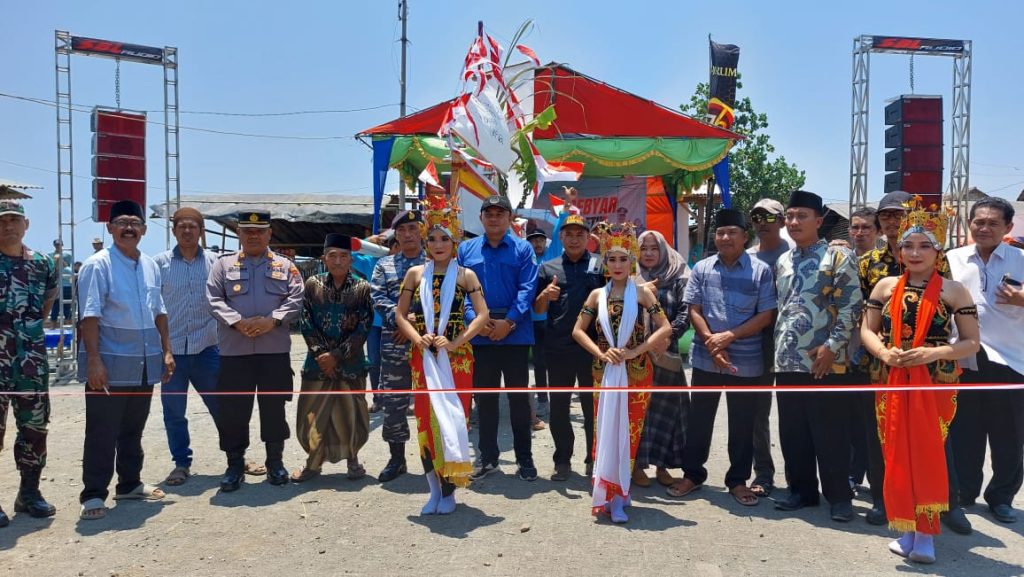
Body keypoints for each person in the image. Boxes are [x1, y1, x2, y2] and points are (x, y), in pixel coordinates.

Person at [861, 201, 979, 564]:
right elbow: (867, 331)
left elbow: (971, 343)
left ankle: (926, 533)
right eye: (908, 245)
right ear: (899, 250)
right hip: (891, 378)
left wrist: (933, 353)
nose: (915, 253)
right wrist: (884, 353)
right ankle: (907, 529)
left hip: (934, 381)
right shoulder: (884, 286)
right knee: (895, 453)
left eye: (925, 245)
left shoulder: (953, 291)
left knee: (928, 453)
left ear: (938, 250)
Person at [77, 200, 175, 520]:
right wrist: (94, 360)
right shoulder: (97, 265)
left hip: (143, 361)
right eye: (122, 222)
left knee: (133, 428)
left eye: (135, 223)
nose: (129, 228)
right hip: (109, 363)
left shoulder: (149, 265)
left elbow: (159, 312)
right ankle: (94, 494)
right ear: (110, 228)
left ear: (144, 229)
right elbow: (89, 315)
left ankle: (130, 483)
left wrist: (166, 350)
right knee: (102, 430)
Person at [394, 194, 489, 514]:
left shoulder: (466, 276)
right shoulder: (415, 274)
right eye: (432, 238)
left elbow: (483, 315)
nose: (438, 245)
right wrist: (418, 339)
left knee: (453, 419)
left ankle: (449, 491)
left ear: (454, 241)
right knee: (425, 418)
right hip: (423, 356)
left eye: (444, 239)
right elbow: (399, 315)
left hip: (456, 357)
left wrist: (457, 341)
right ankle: (433, 489)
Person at [572, 221, 671, 523]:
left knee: (629, 433)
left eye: (623, 259)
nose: (617, 265)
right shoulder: (596, 296)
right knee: (605, 431)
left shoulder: (642, 294)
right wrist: (601, 352)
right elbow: (578, 331)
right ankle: (609, 492)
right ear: (605, 262)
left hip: (637, 371)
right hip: (604, 371)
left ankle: (620, 494)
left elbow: (665, 327)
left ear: (632, 261)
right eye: (612, 259)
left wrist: (635, 351)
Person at [676, 210, 776, 505]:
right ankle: (692, 475)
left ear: (745, 237)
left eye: (732, 232)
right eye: (720, 232)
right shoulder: (702, 268)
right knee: (699, 419)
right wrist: (713, 343)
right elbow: (693, 309)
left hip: (746, 361)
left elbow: (766, 315)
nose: (725, 237)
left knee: (743, 422)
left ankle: (738, 480)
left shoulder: (761, 271)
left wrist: (729, 337)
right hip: (706, 357)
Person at [773, 190, 862, 522]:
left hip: (825, 360)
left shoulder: (837, 257)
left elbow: (851, 305)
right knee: (793, 432)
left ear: (819, 221)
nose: (794, 222)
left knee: (831, 433)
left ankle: (839, 497)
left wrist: (832, 346)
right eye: (790, 216)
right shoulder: (783, 260)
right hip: (787, 359)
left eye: (802, 216)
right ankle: (802, 491)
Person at [206, 210, 304, 492]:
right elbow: (213, 298)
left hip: (273, 351)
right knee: (233, 411)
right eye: (247, 231)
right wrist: (237, 322)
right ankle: (235, 465)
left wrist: (272, 320)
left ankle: (275, 462)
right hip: (234, 352)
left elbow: (297, 298)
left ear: (269, 234)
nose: (253, 236)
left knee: (274, 409)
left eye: (259, 231)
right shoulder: (222, 265)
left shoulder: (286, 266)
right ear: (238, 233)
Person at [948, 197, 1024, 524]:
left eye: (993, 223)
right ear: (969, 224)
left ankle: (1001, 497)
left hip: (1012, 360)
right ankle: (964, 492)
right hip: (963, 357)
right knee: (965, 430)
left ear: (1008, 227)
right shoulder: (952, 259)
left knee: (1009, 435)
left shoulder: (1021, 259)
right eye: (979, 222)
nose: (984, 228)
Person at [458, 195, 539, 482]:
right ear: (481, 218)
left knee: (519, 400)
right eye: (489, 214)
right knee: (485, 401)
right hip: (480, 336)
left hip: (515, 333)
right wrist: (475, 321)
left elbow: (528, 288)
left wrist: (510, 321)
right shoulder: (466, 249)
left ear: (509, 218)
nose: (494, 219)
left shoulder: (523, 248)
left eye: (500, 214)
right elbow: (459, 291)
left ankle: (524, 458)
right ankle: (488, 457)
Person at [292, 234, 373, 482]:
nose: (338, 261)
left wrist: (337, 355)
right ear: (324, 258)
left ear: (351, 259)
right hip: (317, 364)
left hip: (351, 363)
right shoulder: (312, 285)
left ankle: (353, 460)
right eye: (333, 256)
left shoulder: (362, 287)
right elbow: (305, 321)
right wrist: (321, 354)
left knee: (352, 414)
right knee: (311, 415)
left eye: (343, 256)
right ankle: (313, 462)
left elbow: (364, 326)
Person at [0, 200, 58, 526]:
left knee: (34, 428)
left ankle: (29, 493)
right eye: (2, 220)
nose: (8, 226)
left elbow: (47, 302)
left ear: (26, 224)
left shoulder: (42, 263)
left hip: (31, 362)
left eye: (14, 220)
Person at [152, 207, 220, 487]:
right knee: (174, 413)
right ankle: (181, 463)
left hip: (208, 349)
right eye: (182, 227)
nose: (188, 231)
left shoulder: (215, 263)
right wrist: (163, 348)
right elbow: (153, 308)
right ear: (174, 231)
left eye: (193, 227)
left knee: (222, 407)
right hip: (172, 353)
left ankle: (235, 457)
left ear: (201, 231)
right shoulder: (159, 264)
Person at [534, 214, 604, 481]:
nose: (574, 239)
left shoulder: (600, 265)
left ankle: (593, 458)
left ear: (588, 238)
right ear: (561, 237)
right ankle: (562, 459)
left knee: (592, 408)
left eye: (580, 234)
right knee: (560, 408)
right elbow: (537, 309)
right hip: (558, 348)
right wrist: (545, 296)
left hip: (593, 348)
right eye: (569, 234)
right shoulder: (548, 268)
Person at [633, 230, 691, 490]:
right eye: (643, 248)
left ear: (664, 251)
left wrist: (669, 335)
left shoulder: (677, 276)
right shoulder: (628, 275)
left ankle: (662, 466)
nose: (648, 253)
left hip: (667, 354)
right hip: (635, 356)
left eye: (654, 248)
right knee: (638, 411)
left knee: (666, 412)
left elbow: (686, 311)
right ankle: (636, 465)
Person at [371, 211, 425, 482]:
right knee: (394, 402)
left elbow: (447, 297)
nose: (407, 234)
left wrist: (417, 323)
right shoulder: (384, 265)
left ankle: (434, 459)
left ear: (421, 231)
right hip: (395, 342)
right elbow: (377, 297)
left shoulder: (436, 262)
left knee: (432, 401)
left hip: (428, 343)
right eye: (401, 230)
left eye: (412, 228)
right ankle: (397, 458)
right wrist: (403, 321)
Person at [745, 198, 791, 498]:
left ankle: (799, 478)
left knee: (792, 413)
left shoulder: (794, 252)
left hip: (791, 342)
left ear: (782, 221)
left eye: (770, 217)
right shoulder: (747, 256)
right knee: (756, 412)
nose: (763, 222)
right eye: (757, 217)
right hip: (756, 340)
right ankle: (763, 472)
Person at [846, 206, 884, 522]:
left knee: (874, 423)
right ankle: (851, 474)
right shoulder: (843, 260)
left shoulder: (886, 265)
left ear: (878, 231)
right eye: (855, 227)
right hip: (846, 352)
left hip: (878, 354)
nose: (859, 233)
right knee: (851, 419)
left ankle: (878, 484)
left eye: (866, 228)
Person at [526, 228, 550, 419]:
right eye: (533, 240)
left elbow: (559, 229)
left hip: (546, 321)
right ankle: (522, 402)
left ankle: (543, 400)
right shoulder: (525, 261)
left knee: (542, 362)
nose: (537, 243)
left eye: (541, 240)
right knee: (521, 364)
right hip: (525, 321)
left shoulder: (550, 259)